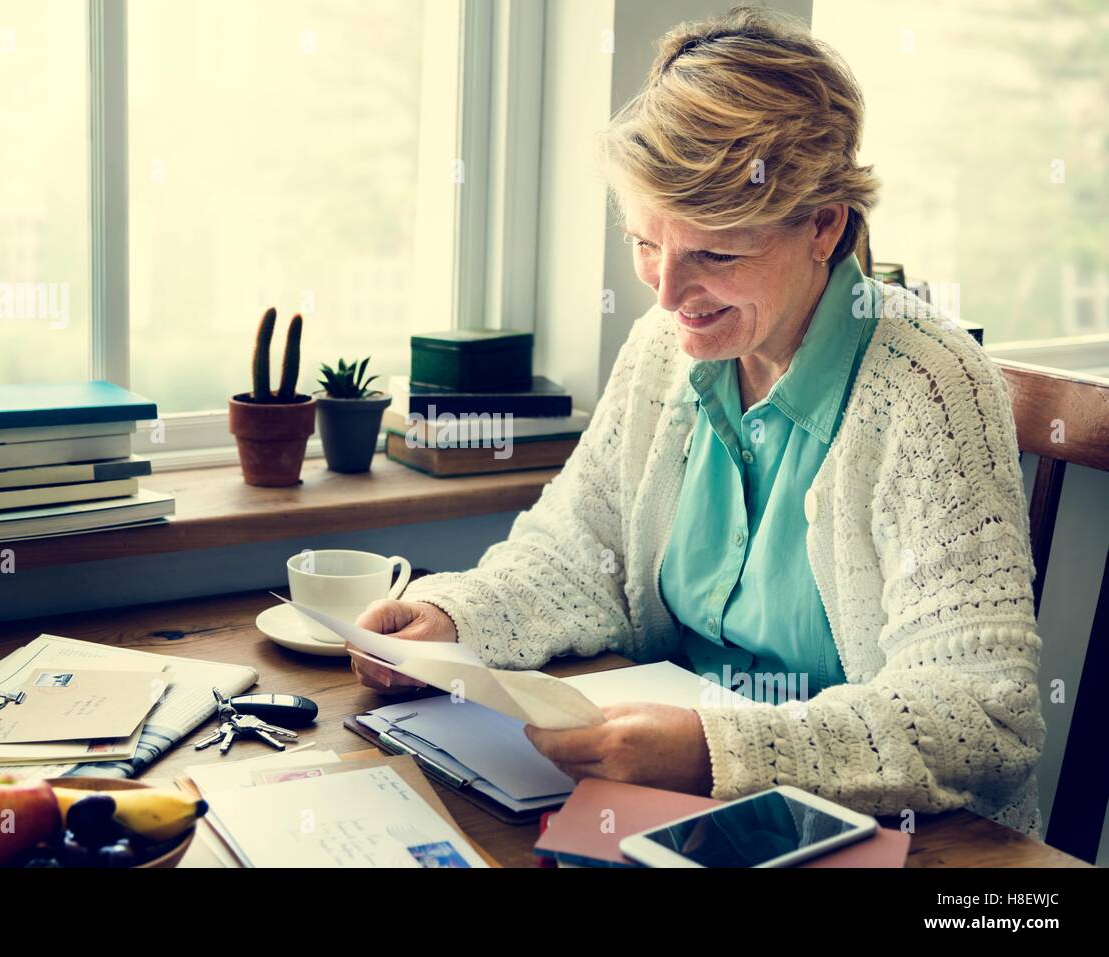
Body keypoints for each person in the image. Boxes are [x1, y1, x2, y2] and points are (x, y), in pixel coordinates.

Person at [351, 7, 1044, 835]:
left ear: (823, 225)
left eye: (715, 254)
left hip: (909, 847)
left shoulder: (929, 389)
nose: (667, 293)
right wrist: (459, 620)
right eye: (646, 242)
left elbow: (980, 714)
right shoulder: (663, 350)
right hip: (674, 815)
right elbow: (579, 552)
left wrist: (720, 750)